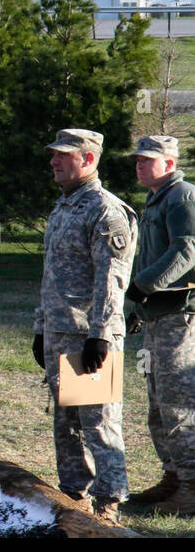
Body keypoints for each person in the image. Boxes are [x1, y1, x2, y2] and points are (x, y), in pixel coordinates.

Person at [34, 128, 137, 522]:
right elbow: (51, 275)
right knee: (67, 424)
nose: (53, 161)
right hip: (60, 334)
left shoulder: (105, 211)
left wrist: (100, 335)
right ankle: (74, 499)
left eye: (63, 155)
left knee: (97, 424)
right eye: (53, 155)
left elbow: (110, 280)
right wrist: (41, 325)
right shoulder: (64, 207)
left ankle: (108, 507)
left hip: (87, 337)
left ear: (88, 159)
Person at [123, 134, 195, 516]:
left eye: (147, 160)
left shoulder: (182, 195)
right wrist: (138, 305)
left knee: (177, 403)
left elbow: (186, 249)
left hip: (178, 315)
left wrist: (143, 286)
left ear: (169, 163)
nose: (139, 165)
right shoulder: (158, 198)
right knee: (157, 405)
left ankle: (191, 486)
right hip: (157, 315)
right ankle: (172, 478)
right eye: (137, 159)